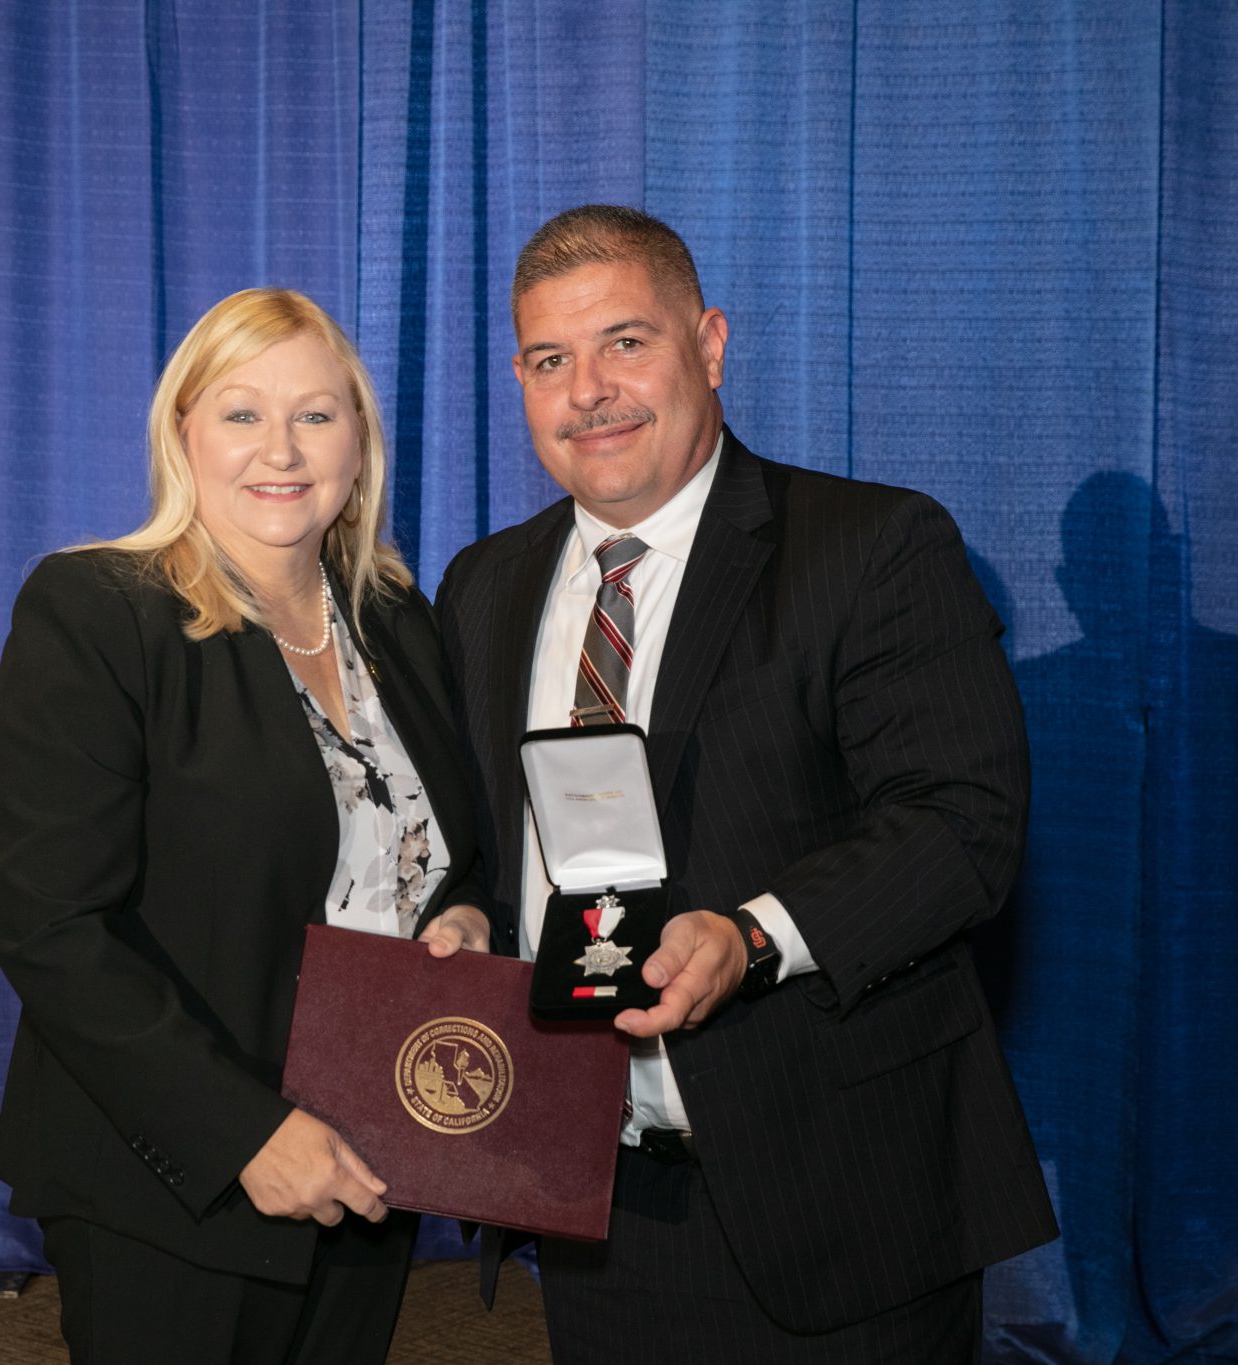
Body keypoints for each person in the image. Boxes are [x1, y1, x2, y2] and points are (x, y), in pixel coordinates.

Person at [436, 206, 1058, 1361]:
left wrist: (751, 937)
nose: (589, 391)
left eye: (626, 342)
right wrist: (465, 907)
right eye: (548, 360)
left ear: (709, 347)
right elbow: (481, 838)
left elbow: (960, 825)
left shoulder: (869, 546)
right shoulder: (481, 587)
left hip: (834, 1192)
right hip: (591, 1198)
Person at [0, 288, 492, 1364]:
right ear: (182, 434)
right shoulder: (96, 614)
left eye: (316, 413)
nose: (283, 448)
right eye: (240, 412)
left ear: (358, 439)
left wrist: (465, 918)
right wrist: (244, 1135)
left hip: (369, 1158)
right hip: (173, 1178)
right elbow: (53, 931)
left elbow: (440, 846)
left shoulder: (397, 619)